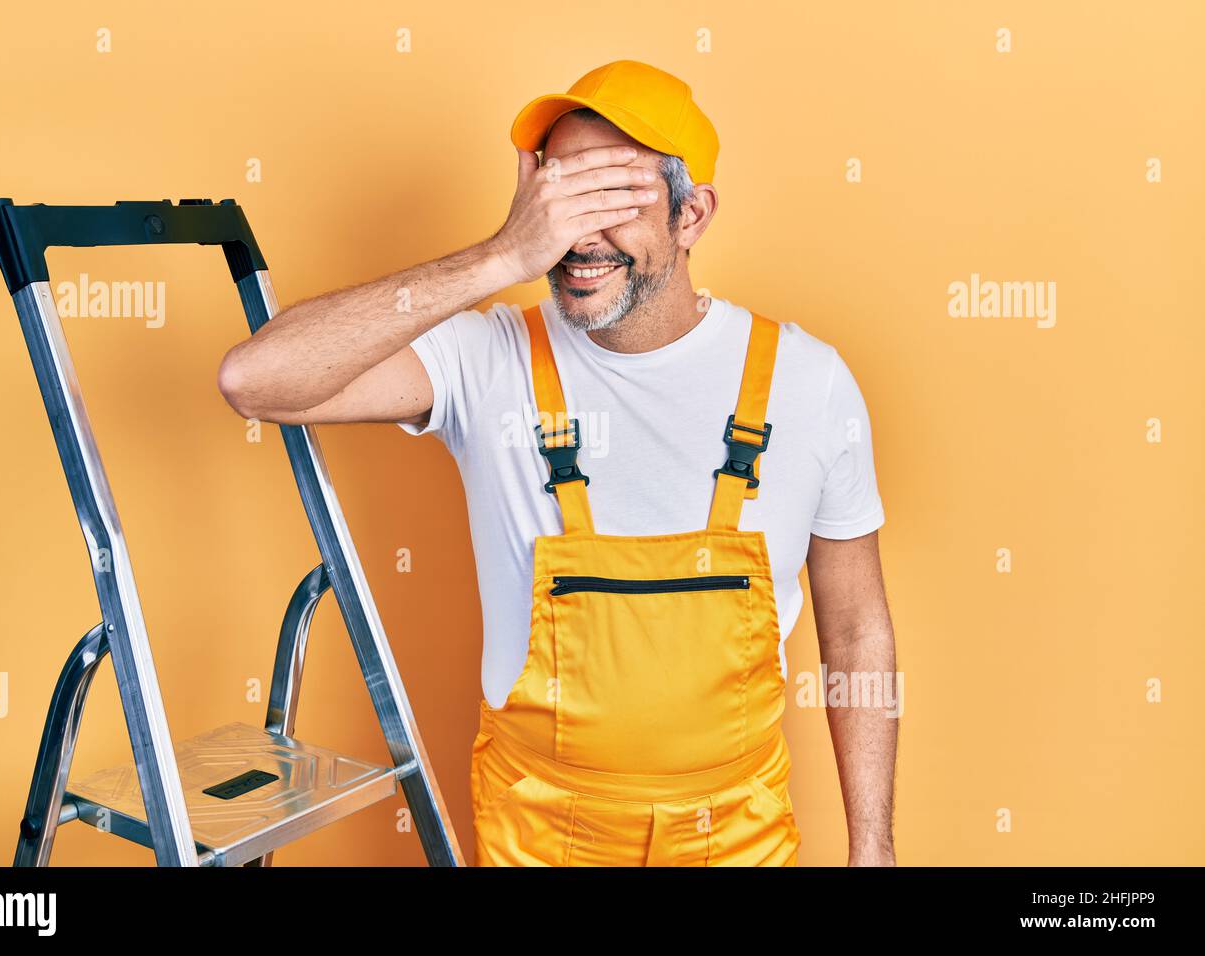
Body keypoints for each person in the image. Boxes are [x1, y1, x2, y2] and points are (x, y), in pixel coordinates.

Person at [218, 60, 898, 866]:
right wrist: (498, 257)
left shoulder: (809, 382)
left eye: (614, 197)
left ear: (692, 216)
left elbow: (856, 629)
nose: (579, 235)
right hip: (541, 837)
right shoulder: (489, 360)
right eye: (560, 194)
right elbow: (254, 380)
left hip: (740, 837)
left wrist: (873, 846)